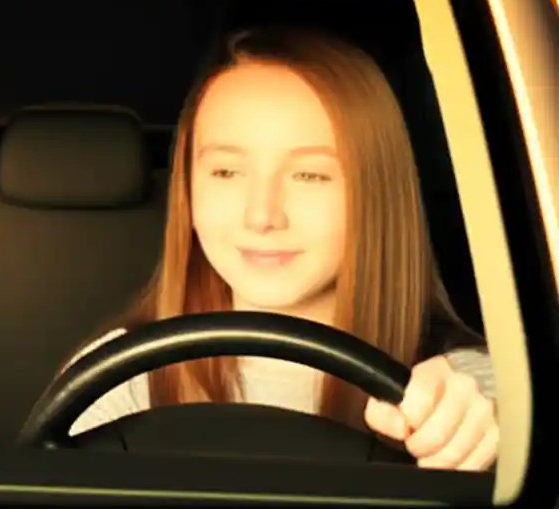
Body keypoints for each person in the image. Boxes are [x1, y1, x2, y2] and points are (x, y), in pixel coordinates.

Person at [50, 26, 497, 472]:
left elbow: (487, 408)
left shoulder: (464, 384)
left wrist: (480, 430)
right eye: (226, 172)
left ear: (376, 192)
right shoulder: (115, 378)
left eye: (310, 176)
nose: (262, 216)